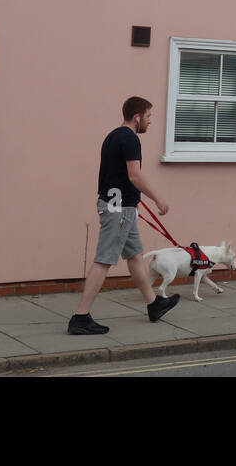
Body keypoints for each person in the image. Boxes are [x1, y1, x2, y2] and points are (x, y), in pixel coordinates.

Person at [68, 96, 179, 334]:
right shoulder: (130, 139)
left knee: (135, 256)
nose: (150, 121)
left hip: (119, 206)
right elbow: (134, 175)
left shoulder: (113, 136)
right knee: (104, 259)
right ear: (137, 117)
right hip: (118, 209)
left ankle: (153, 304)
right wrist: (158, 199)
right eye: (148, 116)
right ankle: (80, 317)